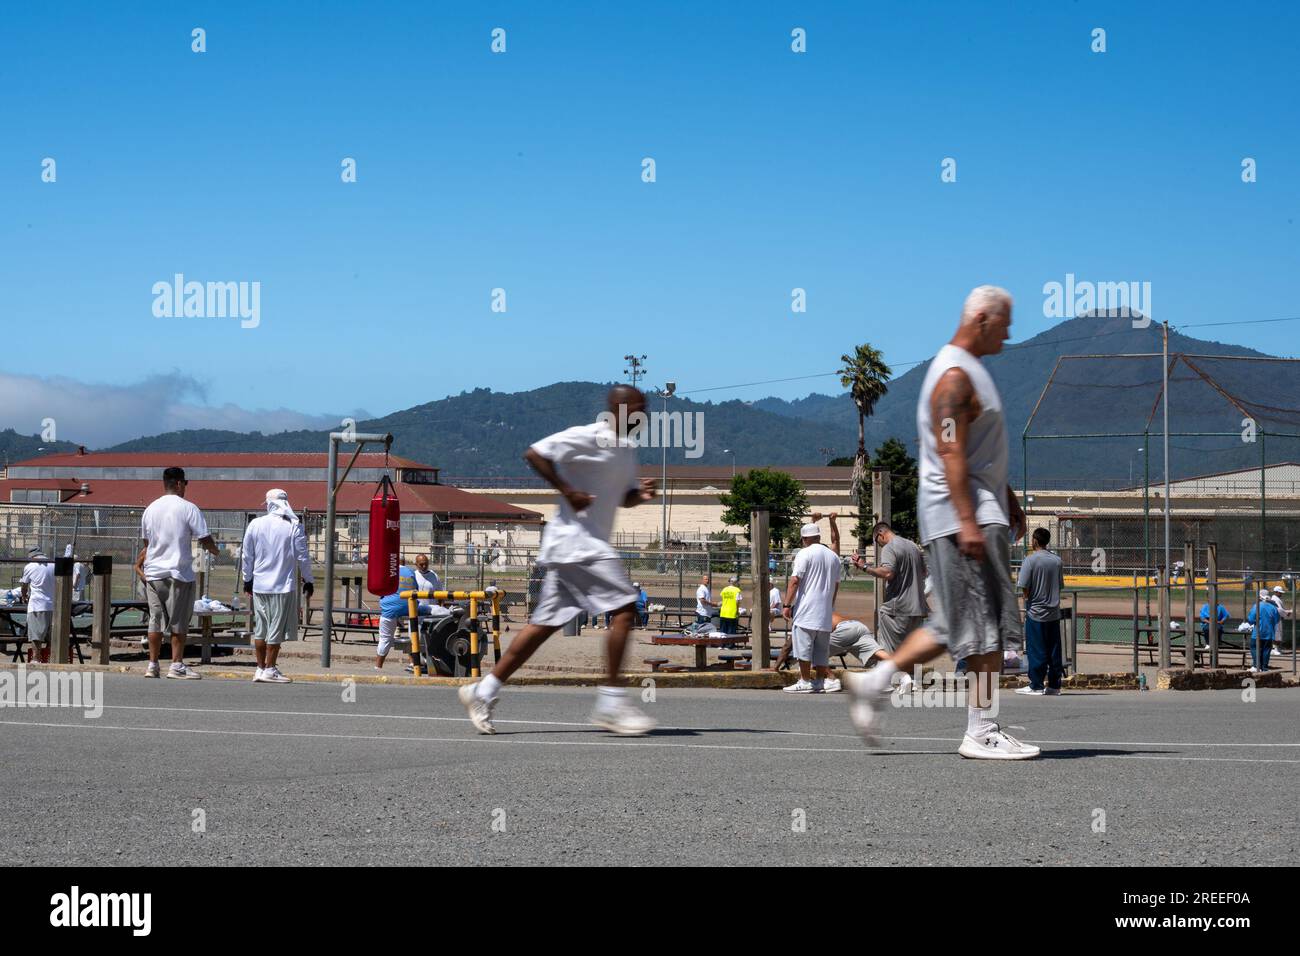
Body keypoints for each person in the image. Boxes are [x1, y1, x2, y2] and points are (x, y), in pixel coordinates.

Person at [844, 286, 1039, 759]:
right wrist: (969, 520)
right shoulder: (954, 375)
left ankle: (874, 682)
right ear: (981, 319)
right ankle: (981, 729)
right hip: (961, 516)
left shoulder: (970, 371)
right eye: (1005, 324)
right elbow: (950, 449)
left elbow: (974, 450)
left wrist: (1005, 495)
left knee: (957, 621)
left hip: (974, 509)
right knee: (984, 624)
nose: (1010, 334)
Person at [459, 385, 659, 735]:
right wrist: (569, 491)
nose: (645, 415)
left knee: (543, 626)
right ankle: (611, 704)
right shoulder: (586, 436)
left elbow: (622, 497)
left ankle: (482, 691)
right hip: (577, 544)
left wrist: (639, 494)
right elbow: (535, 454)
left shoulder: (626, 450)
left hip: (578, 549)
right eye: (640, 408)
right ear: (620, 408)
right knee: (626, 607)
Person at [134, 467, 220, 679]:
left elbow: (147, 543)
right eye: (185, 484)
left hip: (153, 573)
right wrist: (216, 551)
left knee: (154, 620)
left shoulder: (151, 509)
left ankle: (153, 664)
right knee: (179, 621)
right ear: (180, 484)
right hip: (178, 572)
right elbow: (204, 537)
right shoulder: (189, 508)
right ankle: (176, 664)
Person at [241, 489, 313, 684]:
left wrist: (247, 580)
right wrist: (309, 580)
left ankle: (260, 668)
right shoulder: (293, 526)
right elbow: (303, 557)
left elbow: (247, 555)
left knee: (261, 629)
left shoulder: (255, 524)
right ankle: (270, 669)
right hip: (282, 586)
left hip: (259, 586)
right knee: (276, 629)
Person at [781, 522, 842, 693]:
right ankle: (820, 681)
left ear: (804, 539)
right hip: (825, 611)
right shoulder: (833, 556)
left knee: (803, 647)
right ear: (818, 537)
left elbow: (795, 581)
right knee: (822, 649)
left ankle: (805, 680)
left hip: (807, 609)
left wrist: (786, 604)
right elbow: (836, 585)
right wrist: (830, 604)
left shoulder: (804, 553)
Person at [857, 521, 928, 653]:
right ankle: (914, 674)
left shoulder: (889, 547)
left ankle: (894, 673)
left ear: (880, 533)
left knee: (891, 654)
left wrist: (864, 567)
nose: (878, 544)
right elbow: (925, 572)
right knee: (913, 653)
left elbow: (888, 572)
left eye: (876, 541)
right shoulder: (913, 545)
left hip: (897, 610)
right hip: (918, 609)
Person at [1015, 527, 1065, 696]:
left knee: (1036, 649)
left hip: (1036, 612)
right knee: (1053, 650)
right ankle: (1054, 685)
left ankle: (1036, 684)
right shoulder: (1057, 560)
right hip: (1054, 612)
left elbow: (1025, 587)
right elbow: (1060, 585)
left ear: (1034, 541)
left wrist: (1027, 603)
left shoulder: (1030, 560)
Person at [19, 548, 54, 663]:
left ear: (32, 556)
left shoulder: (30, 566)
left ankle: (36, 658)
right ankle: (50, 657)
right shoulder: (53, 564)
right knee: (52, 636)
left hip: (37, 604)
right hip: (53, 605)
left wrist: (24, 596)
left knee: (36, 635)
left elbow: (24, 585)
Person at [1247, 588, 1280, 673]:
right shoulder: (1273, 607)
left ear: (1259, 597)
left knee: (1255, 648)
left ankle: (1256, 666)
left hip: (1257, 633)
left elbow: (1250, 619)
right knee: (1266, 650)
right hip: (1269, 633)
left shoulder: (1257, 606)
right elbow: (1276, 620)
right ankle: (1264, 667)